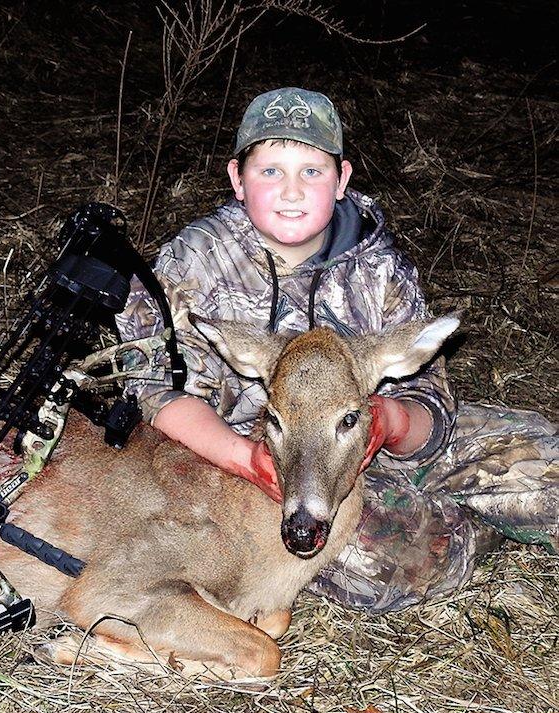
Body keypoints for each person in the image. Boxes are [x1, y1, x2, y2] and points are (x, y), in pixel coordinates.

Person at [116, 87, 558, 612]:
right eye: (270, 171)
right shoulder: (194, 263)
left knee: (549, 460)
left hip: (368, 432)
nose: (292, 192)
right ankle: (480, 525)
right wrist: (243, 456)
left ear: (342, 180)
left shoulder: (377, 266)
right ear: (237, 179)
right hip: (271, 459)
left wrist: (388, 422)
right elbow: (157, 392)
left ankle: (466, 504)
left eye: (312, 172)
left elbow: (428, 401)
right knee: (399, 563)